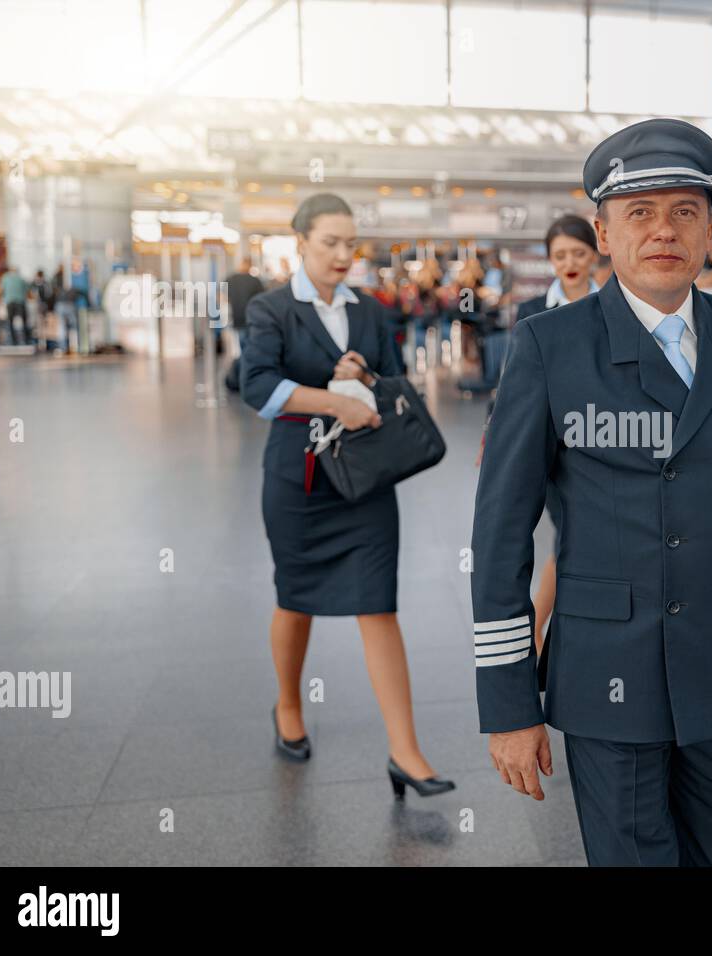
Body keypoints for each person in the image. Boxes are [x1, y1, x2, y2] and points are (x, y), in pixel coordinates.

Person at [470, 118, 712, 866]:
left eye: (684, 211)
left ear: (709, 231)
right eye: (639, 212)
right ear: (605, 235)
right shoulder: (550, 347)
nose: (662, 230)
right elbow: (501, 536)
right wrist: (509, 702)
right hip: (609, 673)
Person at [240, 193, 454, 800]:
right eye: (329, 242)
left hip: (362, 479)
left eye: (349, 244)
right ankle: (287, 706)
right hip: (299, 479)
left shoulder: (370, 310)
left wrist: (364, 380)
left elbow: (395, 382)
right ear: (300, 241)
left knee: (377, 604)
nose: (341, 254)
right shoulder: (272, 309)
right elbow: (257, 387)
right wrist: (332, 398)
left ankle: (406, 752)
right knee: (296, 596)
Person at [509, 215, 601, 655]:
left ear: (595, 253)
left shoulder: (614, 304)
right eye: (560, 255)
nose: (570, 263)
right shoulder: (532, 313)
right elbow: (514, 383)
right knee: (569, 528)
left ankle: (544, 627)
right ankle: (537, 627)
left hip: (603, 437)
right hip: (548, 439)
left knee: (578, 530)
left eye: (578, 253)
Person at [222, 258, 266, 392]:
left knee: (242, 349)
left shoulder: (230, 279)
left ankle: (241, 378)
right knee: (249, 350)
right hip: (252, 320)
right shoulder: (255, 281)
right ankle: (246, 378)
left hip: (237, 319)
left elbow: (223, 297)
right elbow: (263, 300)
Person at [0, 265, 30, 346]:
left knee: (10, 322)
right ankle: (24, 340)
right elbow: (28, 291)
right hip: (20, 302)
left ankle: (11, 341)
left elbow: (0, 291)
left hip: (10, 302)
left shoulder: (5, 278)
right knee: (23, 321)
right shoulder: (21, 279)